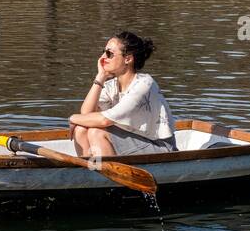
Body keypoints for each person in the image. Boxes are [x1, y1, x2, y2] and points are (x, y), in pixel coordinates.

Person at [69, 31, 177, 160]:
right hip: (131, 139)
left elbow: (105, 120)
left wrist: (72, 118)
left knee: (96, 132)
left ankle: (105, 176)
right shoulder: (110, 85)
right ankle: (92, 171)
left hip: (160, 147)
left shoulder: (144, 84)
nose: (103, 57)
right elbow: (86, 113)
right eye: (103, 52)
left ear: (128, 58)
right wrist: (100, 77)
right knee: (81, 129)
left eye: (109, 54)